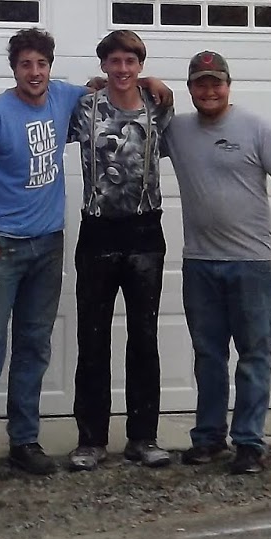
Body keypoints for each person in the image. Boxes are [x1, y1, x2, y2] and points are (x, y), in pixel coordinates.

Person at [0, 28, 170, 484]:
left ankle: (25, 442)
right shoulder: (3, 113)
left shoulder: (76, 98)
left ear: (51, 67)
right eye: (25, 64)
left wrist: (153, 82)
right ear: (14, 68)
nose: (34, 72)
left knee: (36, 345)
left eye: (41, 64)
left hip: (57, 243)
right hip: (7, 246)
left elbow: (108, 85)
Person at [163, 50, 271, 476]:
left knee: (253, 356)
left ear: (228, 86)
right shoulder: (176, 131)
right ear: (190, 88)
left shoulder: (255, 128)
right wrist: (141, 85)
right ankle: (209, 438)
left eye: (216, 83)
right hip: (200, 265)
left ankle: (249, 443)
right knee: (208, 356)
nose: (209, 91)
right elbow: (134, 119)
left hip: (252, 266)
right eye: (201, 83)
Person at [66, 29, 172, 471]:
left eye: (131, 61)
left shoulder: (158, 105)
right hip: (97, 232)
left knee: (144, 338)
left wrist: (154, 83)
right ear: (104, 65)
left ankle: (143, 437)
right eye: (115, 61)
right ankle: (91, 440)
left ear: (140, 65)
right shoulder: (85, 108)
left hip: (145, 232)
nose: (122, 69)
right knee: (92, 339)